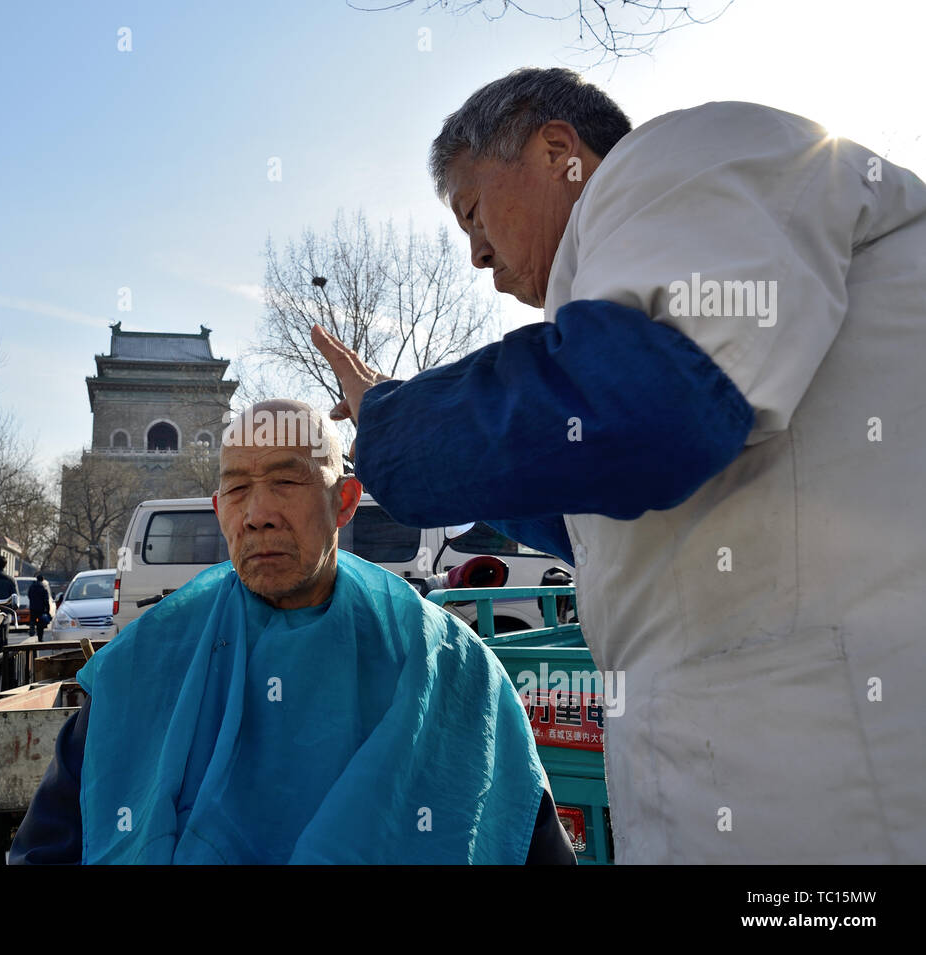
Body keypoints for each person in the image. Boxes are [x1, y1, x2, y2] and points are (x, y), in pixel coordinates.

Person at [311, 68, 926, 863]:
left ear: (558, 148)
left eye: (472, 212)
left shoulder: (679, 159)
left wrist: (392, 420)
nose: (475, 255)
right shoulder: (656, 277)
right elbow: (596, 505)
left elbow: (647, 409)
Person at [9, 399, 575, 865]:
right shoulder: (152, 660)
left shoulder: (443, 663)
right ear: (219, 509)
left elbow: (525, 837)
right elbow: (48, 847)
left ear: (344, 501)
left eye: (287, 480)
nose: (258, 513)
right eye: (237, 490)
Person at [27, 574, 51, 639]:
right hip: (41, 609)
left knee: (32, 620)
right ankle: (40, 637)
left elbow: (29, 595)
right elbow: (46, 600)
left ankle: (32, 631)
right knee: (40, 624)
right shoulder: (43, 587)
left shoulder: (32, 586)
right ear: (42, 580)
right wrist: (48, 610)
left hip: (33, 607)